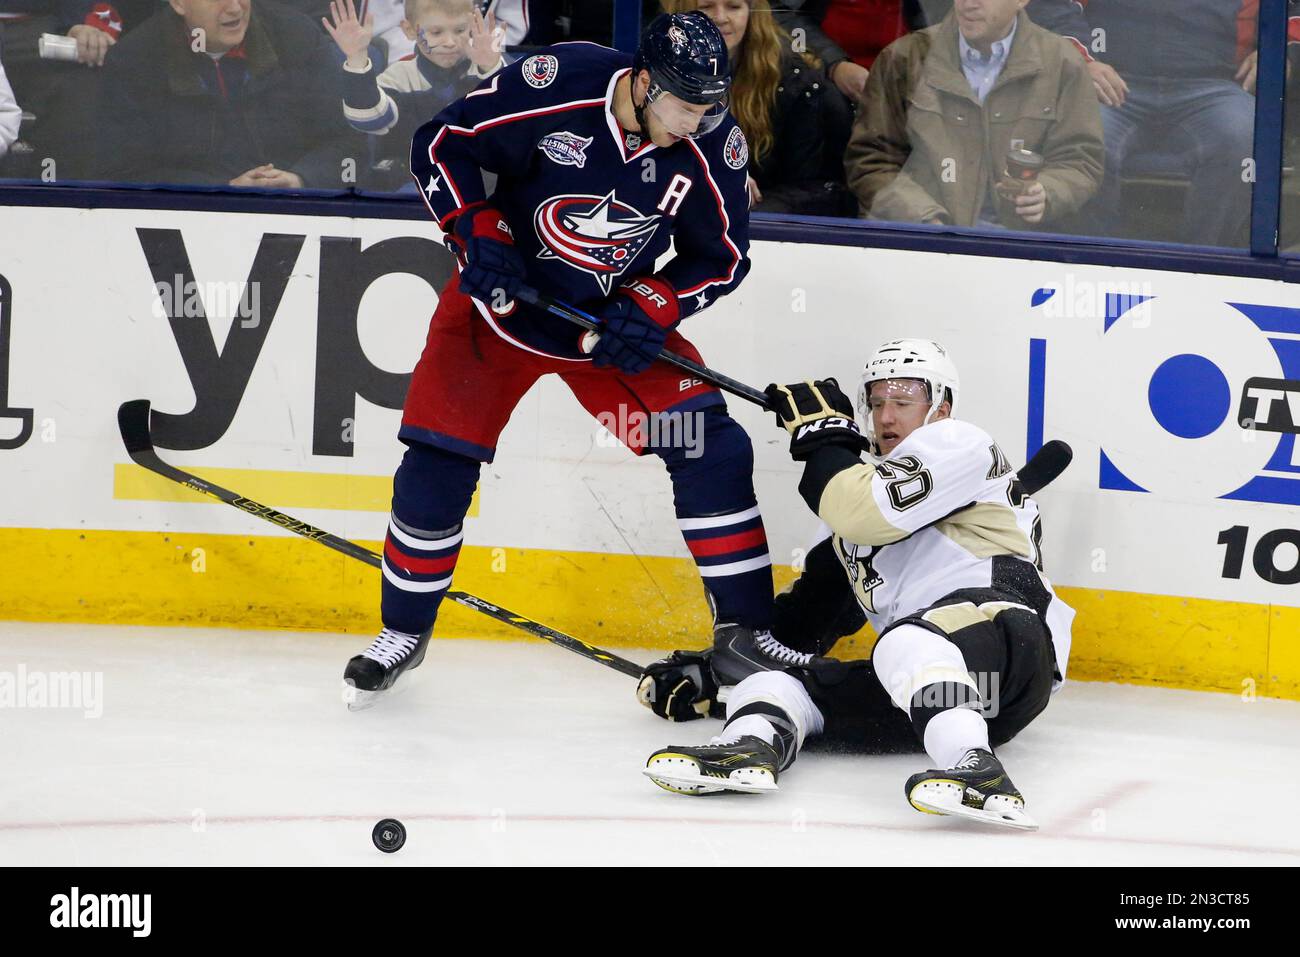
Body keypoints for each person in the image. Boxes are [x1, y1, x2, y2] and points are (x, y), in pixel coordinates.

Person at [342, 12, 797, 707]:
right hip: (497, 315)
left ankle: (746, 634)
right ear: (643, 82)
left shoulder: (714, 144)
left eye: (709, 110)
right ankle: (403, 630)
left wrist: (653, 301)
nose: (697, 124)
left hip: (606, 334)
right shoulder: (557, 83)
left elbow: (723, 256)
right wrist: (477, 226)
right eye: (684, 107)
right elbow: (442, 144)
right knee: (437, 461)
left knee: (709, 445)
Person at [642, 340, 1075, 829]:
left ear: (941, 408)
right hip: (942, 695)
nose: (886, 417)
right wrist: (713, 674)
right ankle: (750, 749)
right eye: (876, 403)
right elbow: (805, 623)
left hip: (1013, 643)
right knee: (774, 684)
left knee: (904, 641)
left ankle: (977, 770)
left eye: (904, 402)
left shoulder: (959, 444)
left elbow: (861, 512)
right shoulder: (867, 494)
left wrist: (823, 438)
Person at [844, 0, 1102, 230]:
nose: (969, 4)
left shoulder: (1063, 63)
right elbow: (871, 160)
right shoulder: (902, 58)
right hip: (920, 240)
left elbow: (1080, 159)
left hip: (1021, 249)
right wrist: (922, 218)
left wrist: (1048, 192)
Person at [94, 0, 360, 187]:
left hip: (295, 213)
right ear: (178, 3)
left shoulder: (296, 36)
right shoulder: (134, 61)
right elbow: (123, 172)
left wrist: (301, 178)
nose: (234, 7)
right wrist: (220, 189)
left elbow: (349, 140)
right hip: (189, 222)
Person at [663, 0, 852, 215]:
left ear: (752, 12)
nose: (721, 18)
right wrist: (714, 174)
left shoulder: (793, 83)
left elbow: (815, 187)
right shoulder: (654, 74)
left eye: (734, 7)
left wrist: (746, 203)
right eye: (706, 7)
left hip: (765, 224)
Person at [325, 0, 505, 190]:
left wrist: (492, 69)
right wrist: (357, 58)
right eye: (436, 32)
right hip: (412, 182)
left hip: (483, 182)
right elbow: (369, 120)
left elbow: (515, 121)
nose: (450, 42)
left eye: (460, 31)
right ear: (409, 30)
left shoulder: (488, 67)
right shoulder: (399, 76)